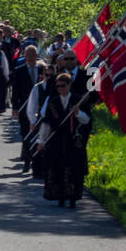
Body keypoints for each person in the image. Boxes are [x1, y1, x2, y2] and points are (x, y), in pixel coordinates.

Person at [36, 70, 95, 206]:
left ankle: (73, 197)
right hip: (56, 140)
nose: (60, 89)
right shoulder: (53, 102)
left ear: (69, 85)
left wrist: (77, 112)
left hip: (73, 140)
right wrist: (41, 140)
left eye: (63, 86)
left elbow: (86, 120)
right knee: (57, 168)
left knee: (73, 168)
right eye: (58, 86)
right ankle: (60, 196)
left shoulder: (77, 100)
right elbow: (46, 123)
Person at [10, 44, 43, 170]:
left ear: (36, 56)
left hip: (39, 107)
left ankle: (37, 161)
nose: (30, 58)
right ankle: (27, 161)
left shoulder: (42, 69)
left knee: (38, 133)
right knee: (26, 133)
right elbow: (15, 91)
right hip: (25, 108)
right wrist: (15, 108)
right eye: (27, 55)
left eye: (32, 55)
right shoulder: (20, 70)